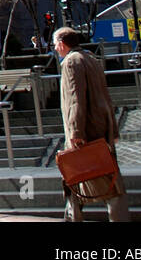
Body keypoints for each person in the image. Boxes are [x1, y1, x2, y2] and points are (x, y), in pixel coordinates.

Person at [55, 27, 129, 222]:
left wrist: (75, 131)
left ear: (62, 44)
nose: (55, 48)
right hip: (102, 128)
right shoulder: (91, 59)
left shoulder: (71, 62)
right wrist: (112, 129)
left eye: (55, 44)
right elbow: (105, 95)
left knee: (76, 177)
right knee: (107, 178)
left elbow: (75, 99)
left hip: (85, 132)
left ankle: (74, 218)